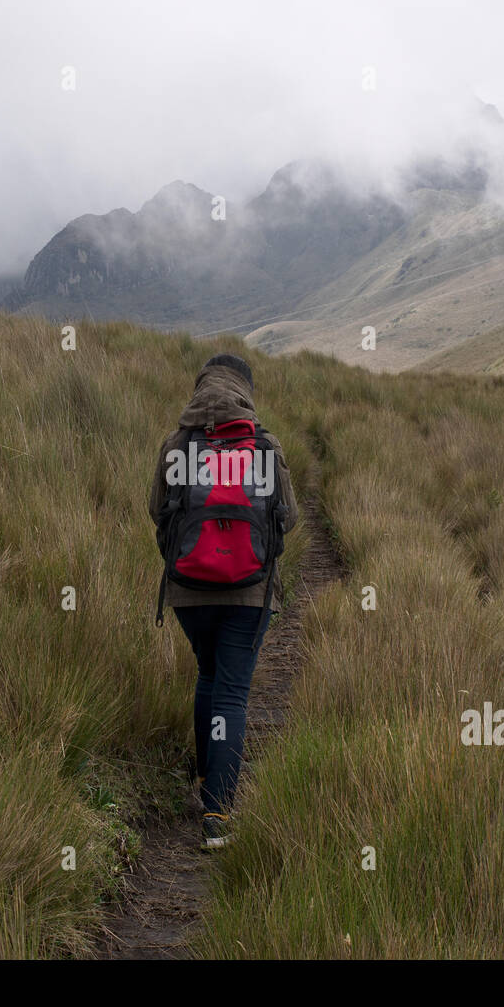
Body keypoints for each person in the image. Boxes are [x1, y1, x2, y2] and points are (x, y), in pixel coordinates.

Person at [149, 353, 298, 849]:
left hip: (189, 592)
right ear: (244, 390)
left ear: (201, 387)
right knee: (232, 692)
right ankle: (219, 815)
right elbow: (289, 516)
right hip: (249, 591)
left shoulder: (178, 443)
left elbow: (157, 510)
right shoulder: (263, 446)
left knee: (208, 676)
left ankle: (203, 782)